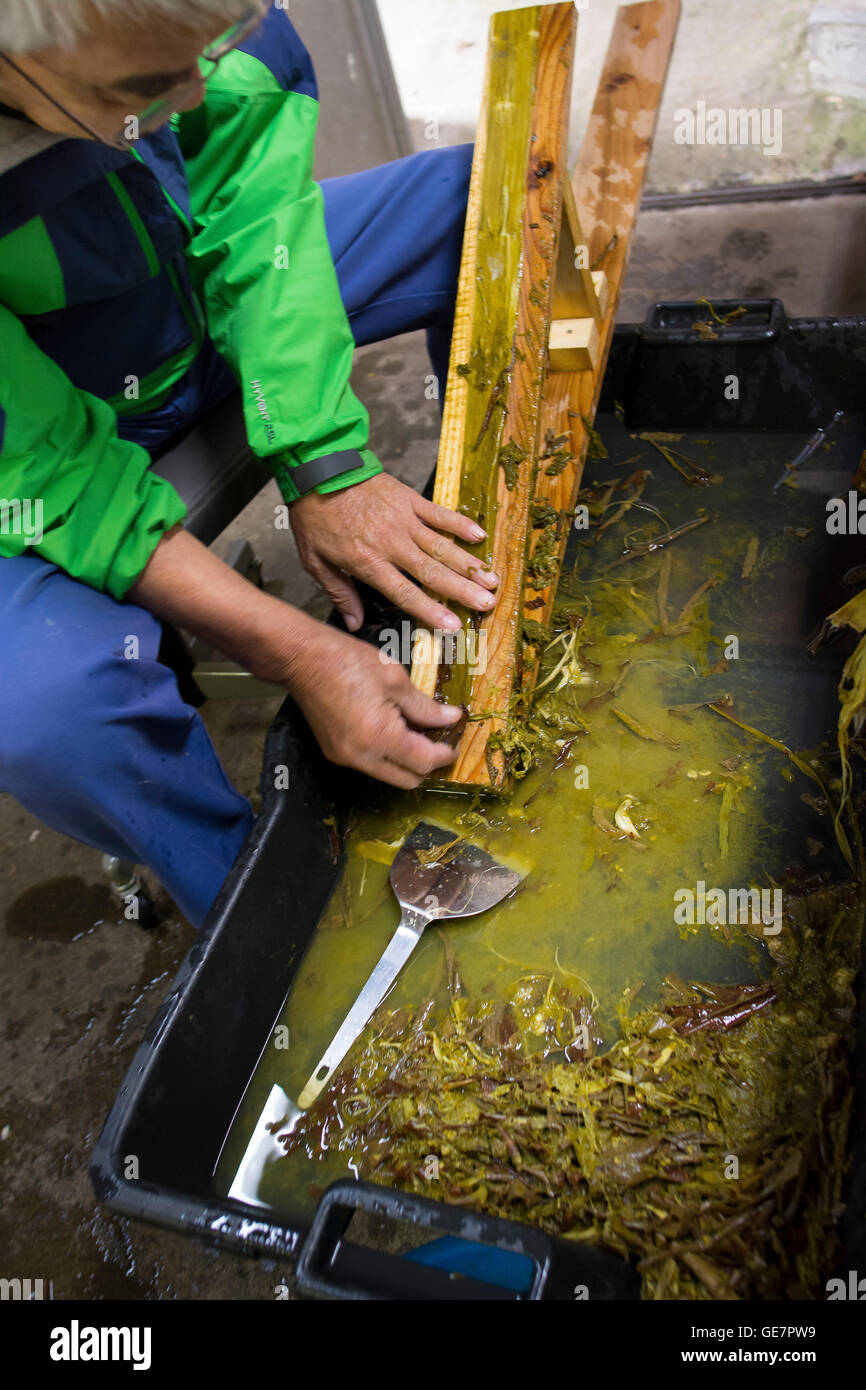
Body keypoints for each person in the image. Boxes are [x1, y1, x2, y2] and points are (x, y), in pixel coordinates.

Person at [0, 0, 494, 925]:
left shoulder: (188, 33)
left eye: (211, 51)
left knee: (489, 207)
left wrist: (319, 456)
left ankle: (488, 565)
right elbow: (50, 470)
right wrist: (299, 651)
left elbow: (260, 218)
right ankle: (269, 920)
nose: (193, 97)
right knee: (50, 715)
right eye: (146, 85)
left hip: (191, 311)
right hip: (31, 448)